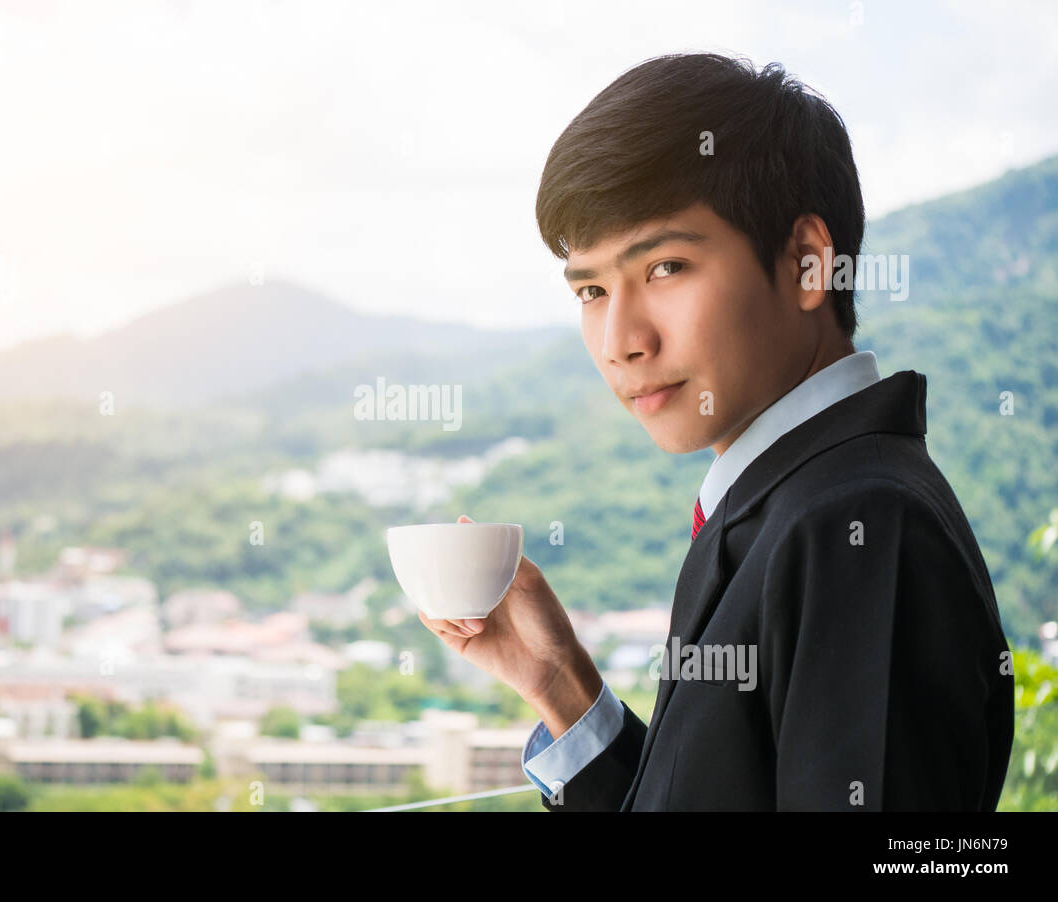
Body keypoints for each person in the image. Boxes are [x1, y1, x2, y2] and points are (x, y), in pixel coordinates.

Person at [417, 52, 1014, 811]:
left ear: (806, 264)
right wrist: (561, 686)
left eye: (665, 267)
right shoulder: (790, 504)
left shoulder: (860, 528)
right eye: (593, 290)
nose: (620, 340)